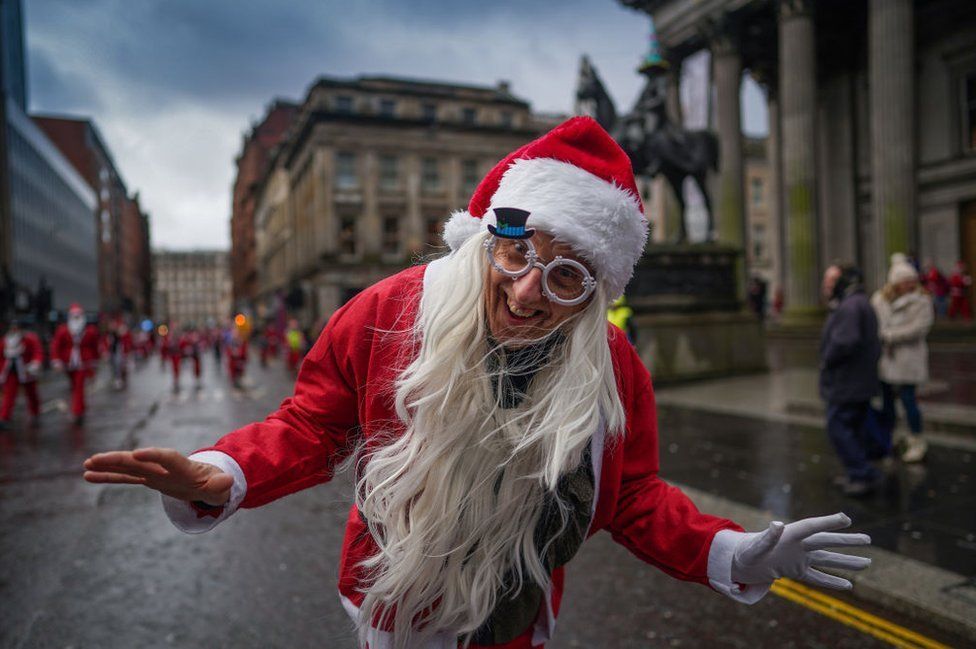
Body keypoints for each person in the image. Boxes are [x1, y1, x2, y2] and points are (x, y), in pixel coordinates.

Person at [83, 118, 871, 649]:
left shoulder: (613, 367)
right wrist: (219, 474)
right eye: (519, 252)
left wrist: (731, 552)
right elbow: (313, 424)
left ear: (597, 293)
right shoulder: (392, 310)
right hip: (393, 602)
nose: (529, 291)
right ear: (491, 237)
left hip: (519, 610)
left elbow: (630, 495)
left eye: (566, 277)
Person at [820, 264, 882, 497]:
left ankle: (861, 473)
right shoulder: (856, 302)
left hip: (847, 382)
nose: (827, 285)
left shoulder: (850, 305)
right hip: (857, 381)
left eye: (832, 280)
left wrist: (827, 360)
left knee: (839, 427)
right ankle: (857, 471)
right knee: (854, 428)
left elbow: (844, 342)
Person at [874, 261, 934, 463]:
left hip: (908, 360)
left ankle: (917, 439)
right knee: (888, 403)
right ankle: (889, 437)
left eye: (912, 280)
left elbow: (919, 328)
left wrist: (890, 336)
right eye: (905, 281)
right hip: (887, 359)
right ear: (895, 283)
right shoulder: (880, 300)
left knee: (909, 401)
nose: (910, 284)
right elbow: (875, 323)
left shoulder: (921, 301)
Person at [51, 304, 101, 426]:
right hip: (68, 364)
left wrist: (94, 362)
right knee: (74, 387)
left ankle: (77, 412)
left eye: (79, 316)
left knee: (79, 386)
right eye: (74, 316)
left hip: (83, 364)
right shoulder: (63, 330)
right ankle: (81, 408)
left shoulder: (90, 331)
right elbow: (56, 346)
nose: (77, 318)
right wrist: (56, 360)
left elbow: (95, 347)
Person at [0, 317, 44, 429]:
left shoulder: (29, 339)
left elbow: (37, 351)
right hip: (11, 372)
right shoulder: (4, 341)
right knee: (9, 395)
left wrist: (35, 363)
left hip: (26, 370)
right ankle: (4, 417)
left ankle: (35, 413)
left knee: (32, 393)